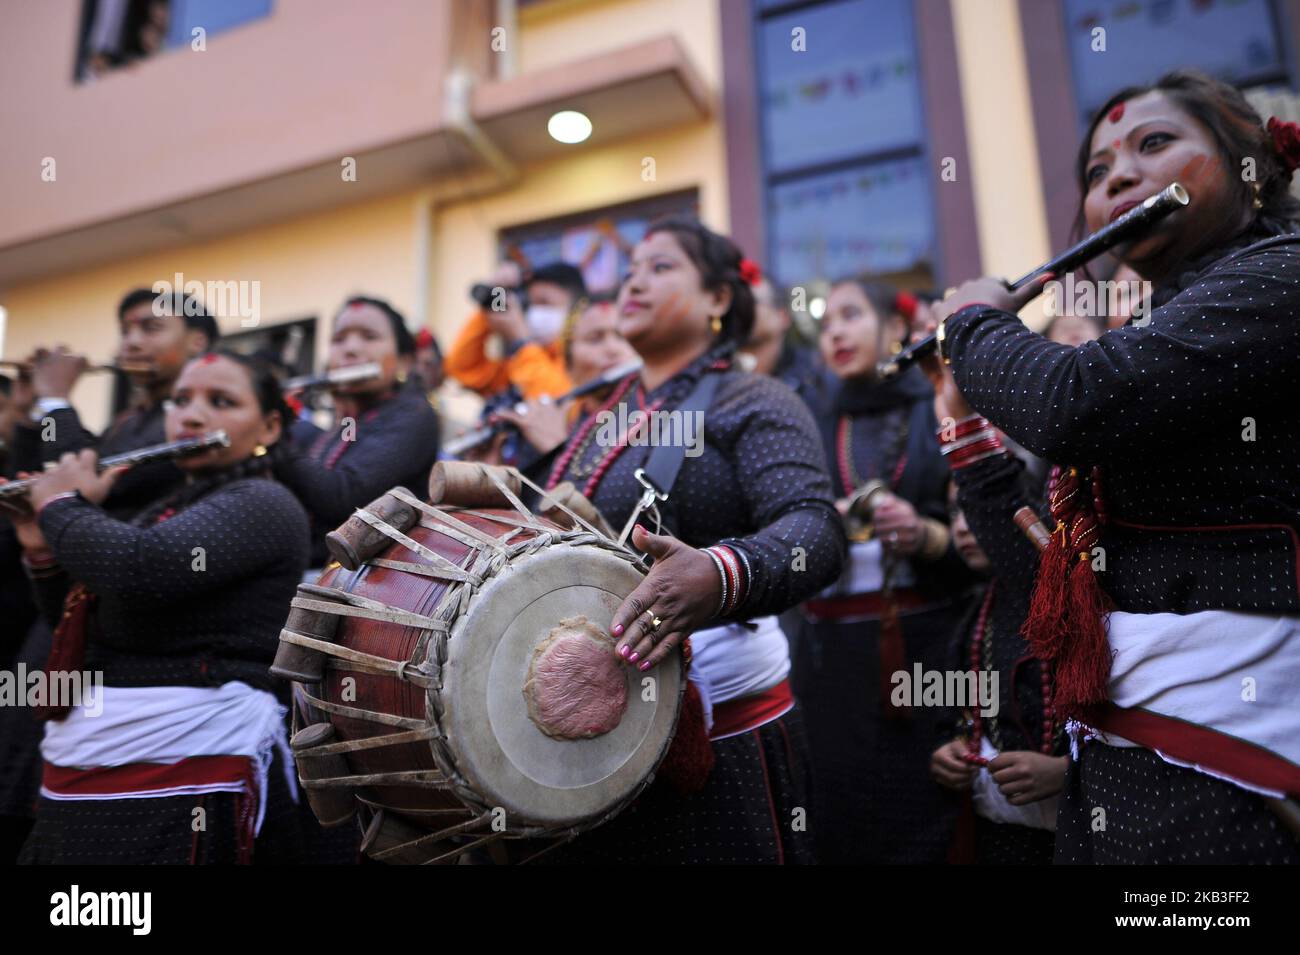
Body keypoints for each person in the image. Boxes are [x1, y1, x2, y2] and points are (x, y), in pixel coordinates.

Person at [922, 69, 1300, 864]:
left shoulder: (1278, 275)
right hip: (1126, 761)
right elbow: (1044, 570)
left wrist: (974, 323)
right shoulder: (1164, 317)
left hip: (1237, 757)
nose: (1120, 176)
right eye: (1097, 173)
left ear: (1249, 166)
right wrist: (964, 427)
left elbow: (1071, 403)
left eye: (1154, 144)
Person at [526, 216, 845, 864]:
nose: (634, 279)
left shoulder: (755, 397)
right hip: (599, 734)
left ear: (718, 299)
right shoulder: (605, 422)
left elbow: (817, 528)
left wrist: (720, 573)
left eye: (661, 266)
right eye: (631, 267)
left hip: (724, 730)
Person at [4, 351, 309, 864]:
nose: (190, 416)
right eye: (180, 400)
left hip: (189, 769)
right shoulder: (162, 509)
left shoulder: (265, 503)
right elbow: (82, 621)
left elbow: (141, 569)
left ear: (271, 425)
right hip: (93, 765)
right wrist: (40, 545)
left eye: (221, 401)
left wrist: (61, 505)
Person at [793, 278, 975, 864]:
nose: (836, 332)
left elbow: (988, 546)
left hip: (930, 647)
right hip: (829, 662)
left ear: (896, 329)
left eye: (851, 315)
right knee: (840, 812)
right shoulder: (811, 422)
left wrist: (925, 535)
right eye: (826, 323)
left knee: (925, 806)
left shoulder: (940, 407)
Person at [926, 460, 1067, 863]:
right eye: (954, 513)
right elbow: (950, 709)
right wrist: (949, 748)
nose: (962, 527)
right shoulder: (975, 614)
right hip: (999, 837)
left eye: (977, 514)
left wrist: (1064, 771)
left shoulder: (1081, 613)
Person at [8, 287, 218, 517]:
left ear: (197, 342)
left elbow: (89, 483)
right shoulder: (127, 421)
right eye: (125, 332)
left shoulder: (202, 417)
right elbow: (39, 477)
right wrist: (29, 414)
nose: (131, 343)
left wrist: (54, 400)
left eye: (151, 328)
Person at [273, 296, 441, 571]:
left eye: (369, 336)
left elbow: (345, 498)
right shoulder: (338, 426)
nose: (350, 349)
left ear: (404, 362)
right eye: (339, 339)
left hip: (371, 582)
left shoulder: (413, 414)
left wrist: (268, 438)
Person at [482, 292, 639, 466]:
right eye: (595, 339)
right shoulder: (559, 421)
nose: (613, 349)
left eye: (623, 336)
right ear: (568, 364)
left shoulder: (659, 419)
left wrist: (555, 448)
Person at [444, 261, 585, 402]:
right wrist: (495, 299)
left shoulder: (583, 362)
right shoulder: (522, 363)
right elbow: (463, 369)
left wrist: (522, 343)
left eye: (544, 303)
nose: (534, 313)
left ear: (578, 311)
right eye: (530, 304)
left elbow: (553, 400)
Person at [741, 276, 836, 419]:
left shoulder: (815, 376)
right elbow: (694, 439)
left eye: (752, 302)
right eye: (738, 303)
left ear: (783, 317)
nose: (741, 311)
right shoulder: (714, 374)